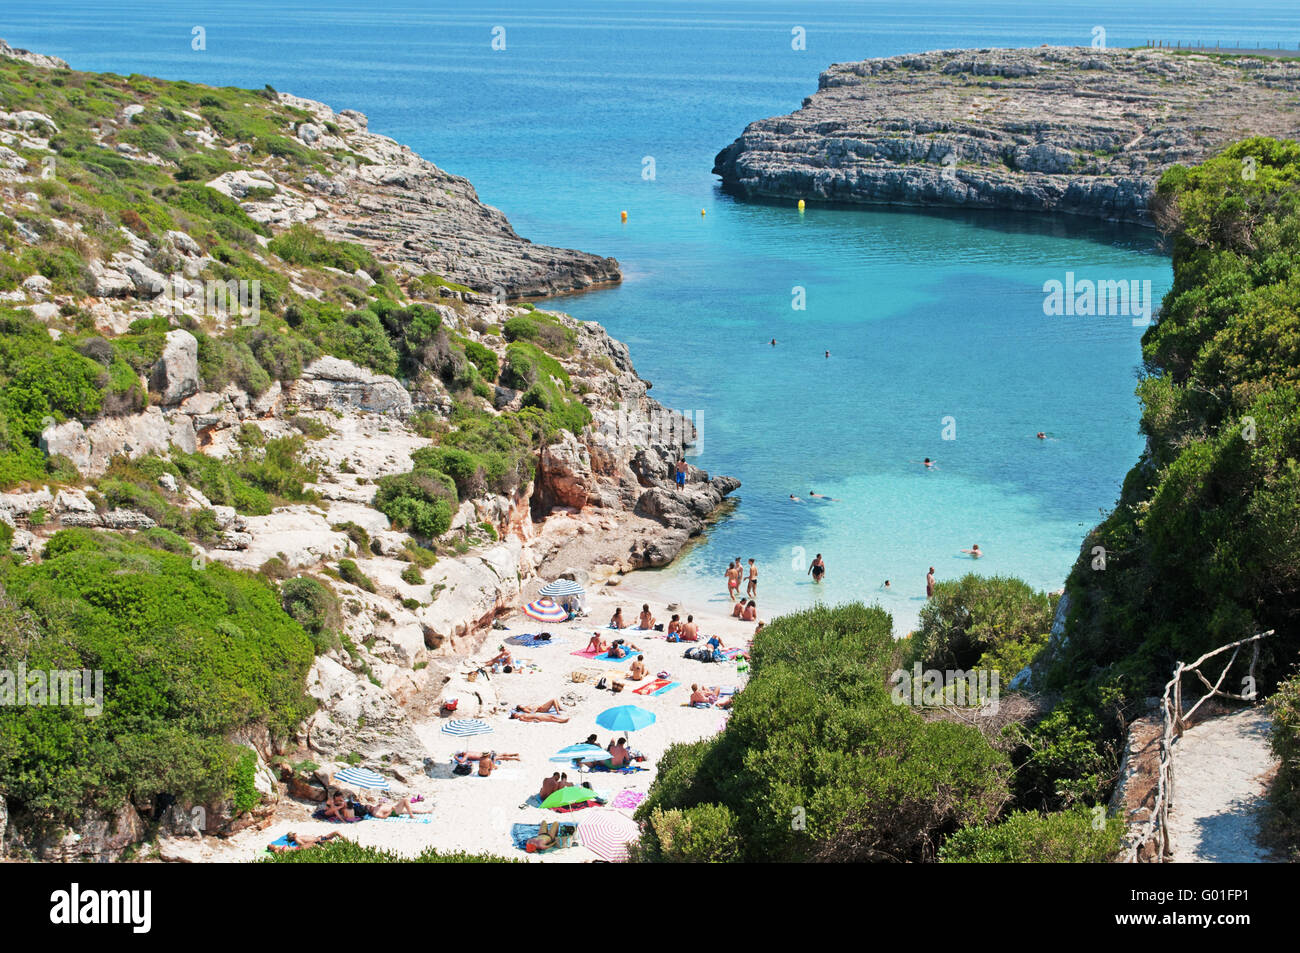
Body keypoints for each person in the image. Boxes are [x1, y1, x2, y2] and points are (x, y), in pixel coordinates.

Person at [269, 830, 343, 853]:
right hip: (317, 841)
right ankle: (338, 850)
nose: (295, 833)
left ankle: (346, 844)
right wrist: (316, 840)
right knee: (331, 841)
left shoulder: (280, 847)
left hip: (318, 839)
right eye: (293, 834)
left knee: (337, 833)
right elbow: (302, 845)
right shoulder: (297, 839)